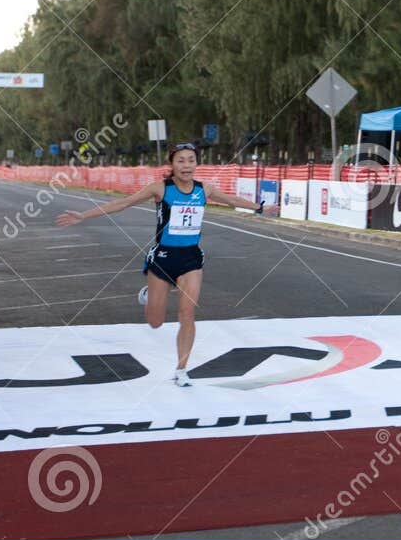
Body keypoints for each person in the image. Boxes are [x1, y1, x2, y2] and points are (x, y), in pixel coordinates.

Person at [53, 142, 272, 386]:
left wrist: (260, 208)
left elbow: (232, 199)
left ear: (196, 163)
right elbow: (123, 203)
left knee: (187, 314)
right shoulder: (160, 189)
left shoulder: (204, 189)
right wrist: (84, 215)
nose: (186, 165)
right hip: (163, 258)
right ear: (172, 164)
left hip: (191, 259)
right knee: (155, 322)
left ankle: (181, 370)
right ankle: (149, 295)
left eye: (191, 160)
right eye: (181, 160)